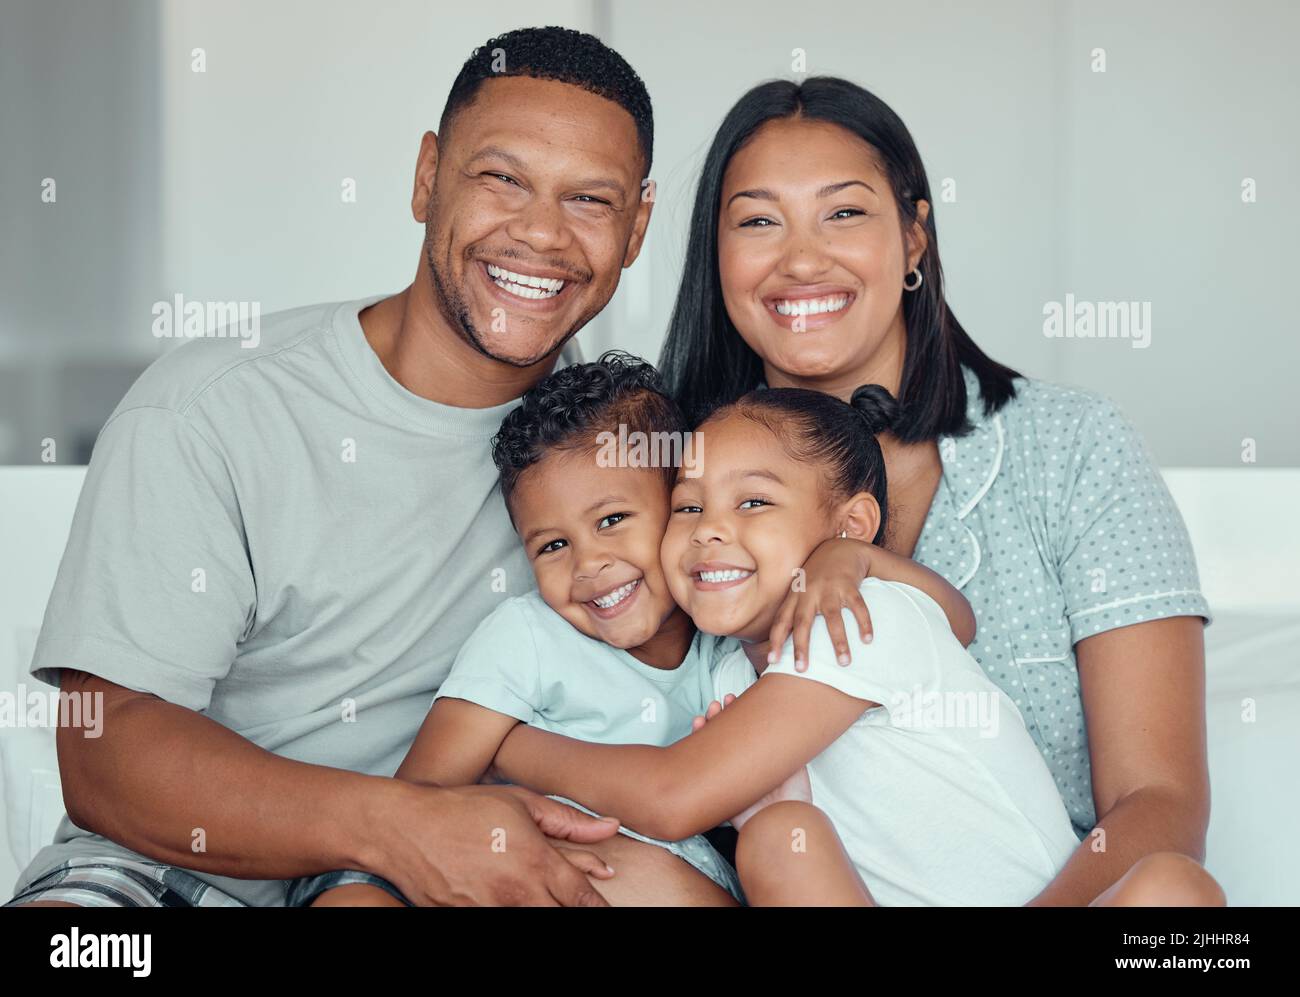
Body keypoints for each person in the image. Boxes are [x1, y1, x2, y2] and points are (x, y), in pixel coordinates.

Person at [10, 25, 675, 909]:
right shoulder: (214, 407)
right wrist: (400, 824)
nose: (541, 234)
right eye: (502, 178)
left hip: (440, 878)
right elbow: (105, 753)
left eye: (590, 200)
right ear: (427, 177)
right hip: (172, 868)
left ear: (637, 228)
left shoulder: (631, 446)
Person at [653, 76, 1223, 906]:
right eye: (758, 220)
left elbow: (1160, 804)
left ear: (915, 237)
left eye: (844, 213)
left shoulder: (1069, 447)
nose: (802, 258)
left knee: (1180, 903)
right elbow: (650, 783)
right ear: (717, 251)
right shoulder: (667, 486)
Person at [295, 353, 978, 906]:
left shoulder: (732, 648)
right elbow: (416, 805)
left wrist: (849, 556)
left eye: (614, 520)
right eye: (551, 546)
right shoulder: (526, 639)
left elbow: (954, 625)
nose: (590, 565)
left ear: (676, 506)